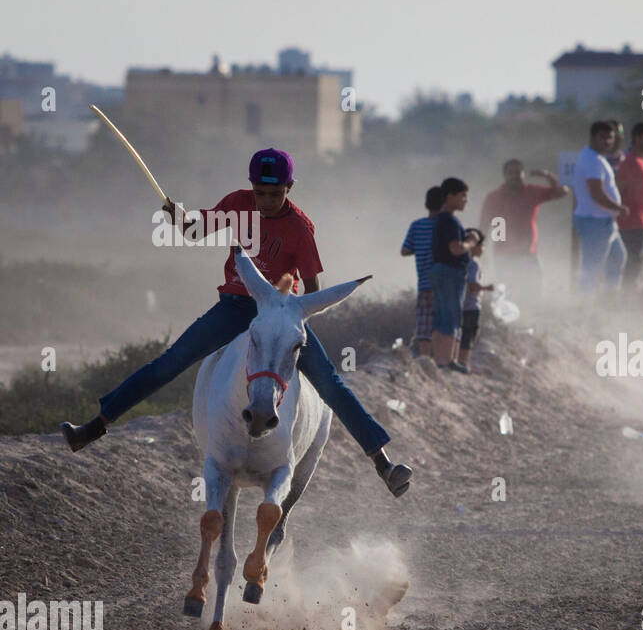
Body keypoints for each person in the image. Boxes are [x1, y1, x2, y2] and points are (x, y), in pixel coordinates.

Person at [60, 147, 413, 497]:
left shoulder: (300, 228)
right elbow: (194, 232)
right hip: (235, 308)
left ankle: (384, 464)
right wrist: (178, 216)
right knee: (169, 363)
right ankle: (94, 426)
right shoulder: (237, 203)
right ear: (251, 186)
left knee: (331, 385)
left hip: (278, 314)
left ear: (289, 188)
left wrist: (289, 314)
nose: (266, 200)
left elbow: (314, 289)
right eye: (260, 192)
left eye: (275, 193)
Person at [477, 159, 568, 306]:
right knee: (506, 294)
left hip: (528, 253)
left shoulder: (531, 191)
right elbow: (483, 225)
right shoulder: (494, 197)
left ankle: (532, 321)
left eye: (518, 172)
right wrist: (480, 251)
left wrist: (547, 175)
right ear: (504, 175)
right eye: (511, 172)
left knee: (534, 292)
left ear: (523, 174)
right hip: (503, 254)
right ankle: (505, 324)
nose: (515, 175)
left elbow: (562, 192)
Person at [426, 177, 481, 372]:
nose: (465, 200)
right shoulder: (449, 220)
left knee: (441, 314)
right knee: (451, 315)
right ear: (450, 196)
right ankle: (445, 361)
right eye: (462, 196)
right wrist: (471, 241)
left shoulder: (440, 219)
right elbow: (456, 249)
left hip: (439, 270)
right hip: (451, 272)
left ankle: (439, 359)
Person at [572, 120, 628, 291]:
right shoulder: (592, 160)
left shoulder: (597, 158)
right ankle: (583, 307)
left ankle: (608, 301)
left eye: (610, 138)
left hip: (604, 221)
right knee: (592, 269)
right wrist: (619, 208)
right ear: (593, 137)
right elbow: (596, 193)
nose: (608, 142)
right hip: (594, 222)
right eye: (603, 137)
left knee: (617, 258)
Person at [400, 185, 443, 359]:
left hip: (424, 282)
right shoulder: (447, 225)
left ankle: (425, 359)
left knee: (424, 325)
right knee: (443, 323)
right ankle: (441, 360)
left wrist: (421, 248)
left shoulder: (417, 225)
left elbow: (405, 250)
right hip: (444, 284)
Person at [615, 122, 643, 287]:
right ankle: (624, 302)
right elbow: (618, 190)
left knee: (635, 266)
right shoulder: (630, 162)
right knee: (629, 267)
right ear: (637, 138)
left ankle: (629, 300)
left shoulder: (642, 162)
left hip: (639, 224)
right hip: (628, 226)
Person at [456, 234, 493, 373]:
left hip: (459, 303)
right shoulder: (473, 264)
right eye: (483, 246)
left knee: (461, 333)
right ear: (476, 246)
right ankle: (463, 363)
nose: (484, 249)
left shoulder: (460, 261)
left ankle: (458, 360)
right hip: (471, 305)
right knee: (469, 334)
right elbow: (472, 286)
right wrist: (486, 288)